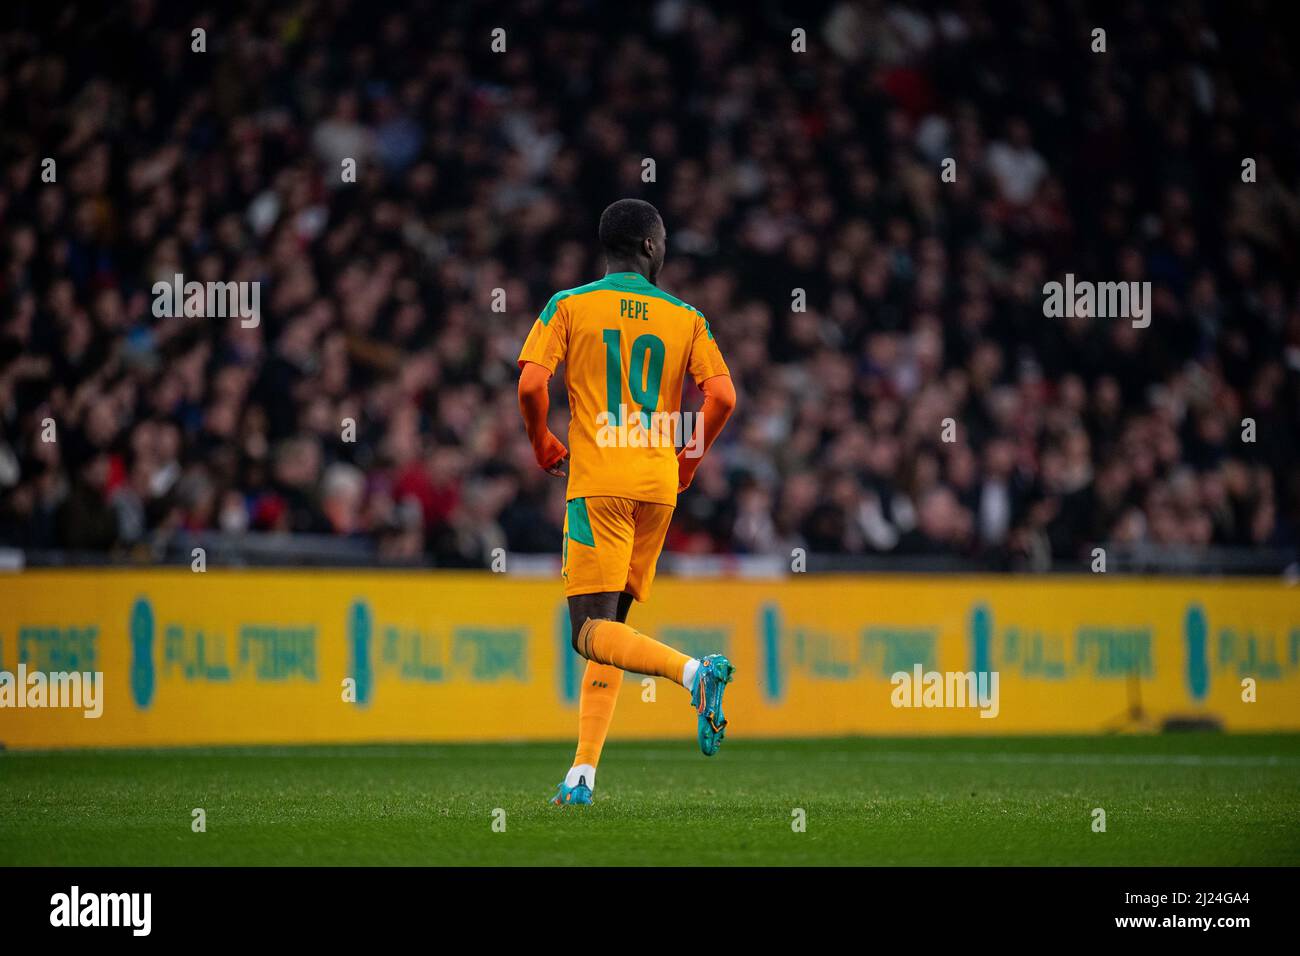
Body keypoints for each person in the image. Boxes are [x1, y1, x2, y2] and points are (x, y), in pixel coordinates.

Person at [516, 198, 738, 805]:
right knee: (612, 631)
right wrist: (687, 458)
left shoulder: (570, 305)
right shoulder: (685, 317)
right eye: (663, 241)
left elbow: (532, 381)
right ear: (648, 247)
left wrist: (540, 441)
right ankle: (582, 775)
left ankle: (694, 673)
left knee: (588, 633)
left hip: (599, 483)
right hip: (657, 486)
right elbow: (721, 397)